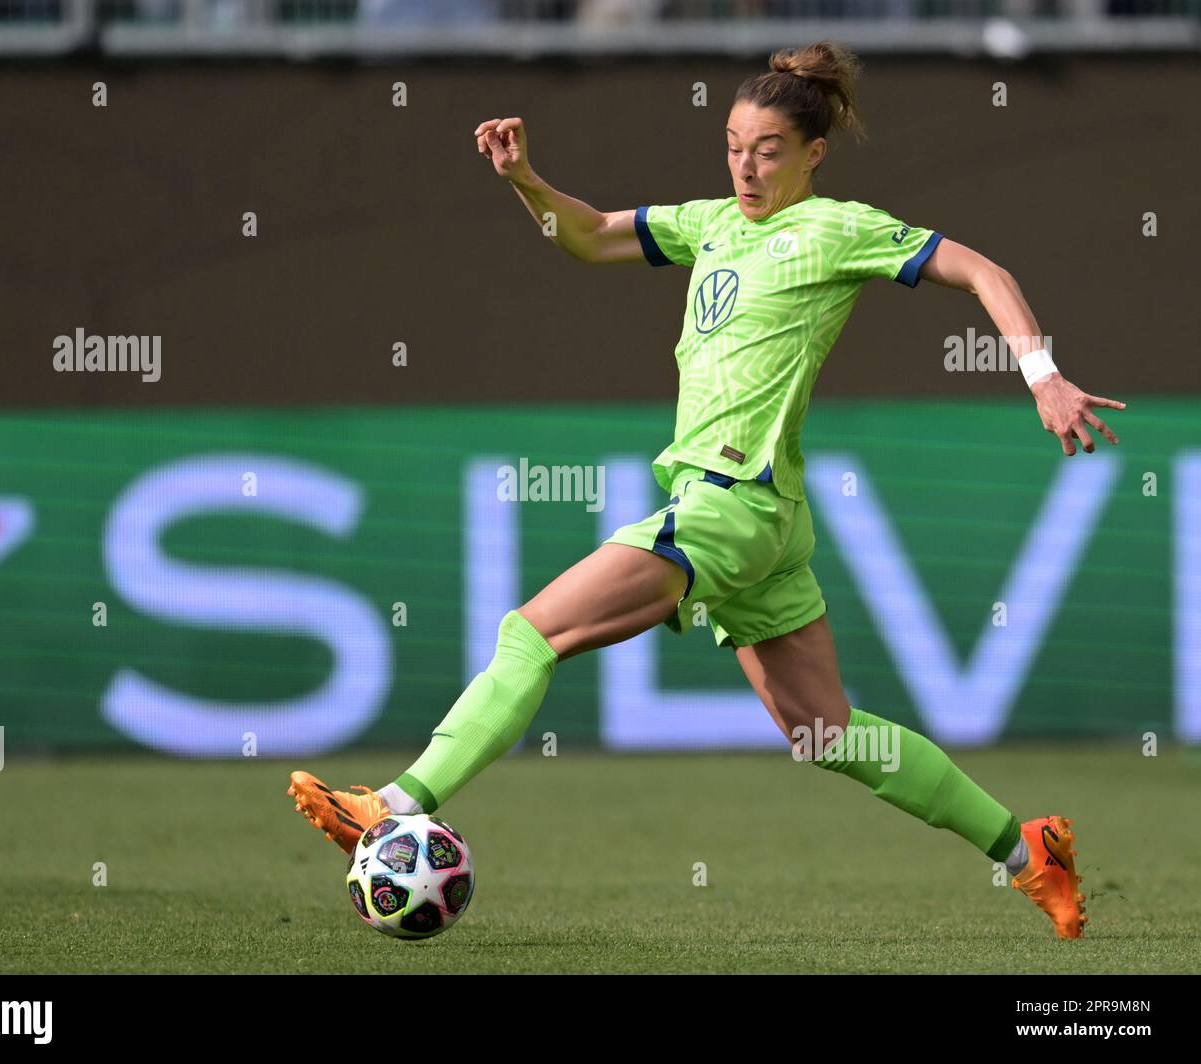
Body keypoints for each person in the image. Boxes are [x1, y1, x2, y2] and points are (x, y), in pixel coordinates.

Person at [289, 40, 1123, 939]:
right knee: (827, 735)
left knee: (532, 633)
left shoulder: (837, 228)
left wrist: (1042, 375)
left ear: (814, 154)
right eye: (733, 144)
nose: (746, 165)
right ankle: (1027, 849)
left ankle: (396, 802)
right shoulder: (713, 223)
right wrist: (525, 179)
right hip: (765, 521)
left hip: (732, 499)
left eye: (767, 149)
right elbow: (591, 235)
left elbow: (980, 269)